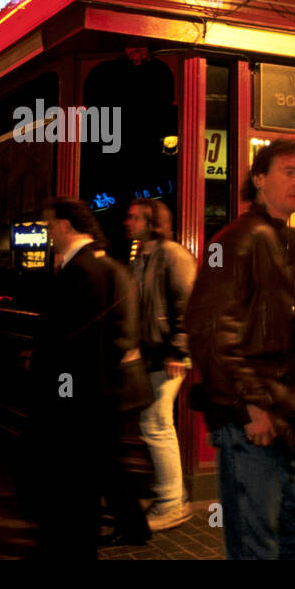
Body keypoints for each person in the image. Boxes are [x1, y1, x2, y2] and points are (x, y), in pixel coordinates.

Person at [185, 138, 295, 560]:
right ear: (259, 180)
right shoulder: (236, 239)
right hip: (251, 414)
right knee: (254, 544)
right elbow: (210, 330)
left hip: (284, 410)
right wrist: (251, 407)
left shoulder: (286, 238)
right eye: (289, 171)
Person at [30, 197, 149, 557]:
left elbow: (81, 343)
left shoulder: (85, 270)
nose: (48, 233)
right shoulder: (94, 266)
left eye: (50, 226)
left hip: (84, 394)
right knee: (100, 465)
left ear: (65, 226)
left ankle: (73, 543)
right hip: (92, 392)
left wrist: (64, 396)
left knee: (82, 474)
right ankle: (128, 526)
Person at [124, 198, 197, 532]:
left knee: (156, 424)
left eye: (134, 217)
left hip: (166, 355)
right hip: (153, 354)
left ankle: (171, 502)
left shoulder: (171, 254)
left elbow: (189, 304)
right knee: (154, 423)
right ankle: (169, 495)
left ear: (151, 221)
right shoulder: (143, 255)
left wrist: (178, 351)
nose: (128, 222)